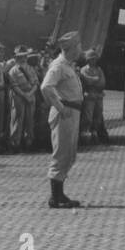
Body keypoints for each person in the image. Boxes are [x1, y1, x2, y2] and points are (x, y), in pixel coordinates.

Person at [40, 31, 84, 209]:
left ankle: (60, 194)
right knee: (61, 154)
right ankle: (55, 197)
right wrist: (60, 107)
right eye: (78, 46)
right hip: (65, 114)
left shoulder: (68, 65)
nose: (80, 49)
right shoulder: (58, 66)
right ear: (70, 49)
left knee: (69, 154)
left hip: (72, 113)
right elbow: (46, 87)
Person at [8, 46, 38, 151]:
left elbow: (35, 83)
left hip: (30, 95)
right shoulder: (13, 70)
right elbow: (14, 85)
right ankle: (15, 143)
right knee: (17, 119)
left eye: (24, 56)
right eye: (20, 56)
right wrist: (24, 95)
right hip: (19, 96)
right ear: (16, 58)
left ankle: (29, 141)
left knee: (30, 119)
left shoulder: (31, 69)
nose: (23, 58)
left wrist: (30, 94)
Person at [78, 49, 110, 145]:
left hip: (98, 96)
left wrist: (94, 81)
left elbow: (102, 82)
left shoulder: (99, 70)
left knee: (98, 115)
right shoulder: (84, 70)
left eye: (95, 59)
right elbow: (86, 81)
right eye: (92, 59)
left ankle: (94, 133)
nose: (94, 61)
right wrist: (94, 79)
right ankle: (85, 135)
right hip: (89, 96)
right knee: (88, 116)